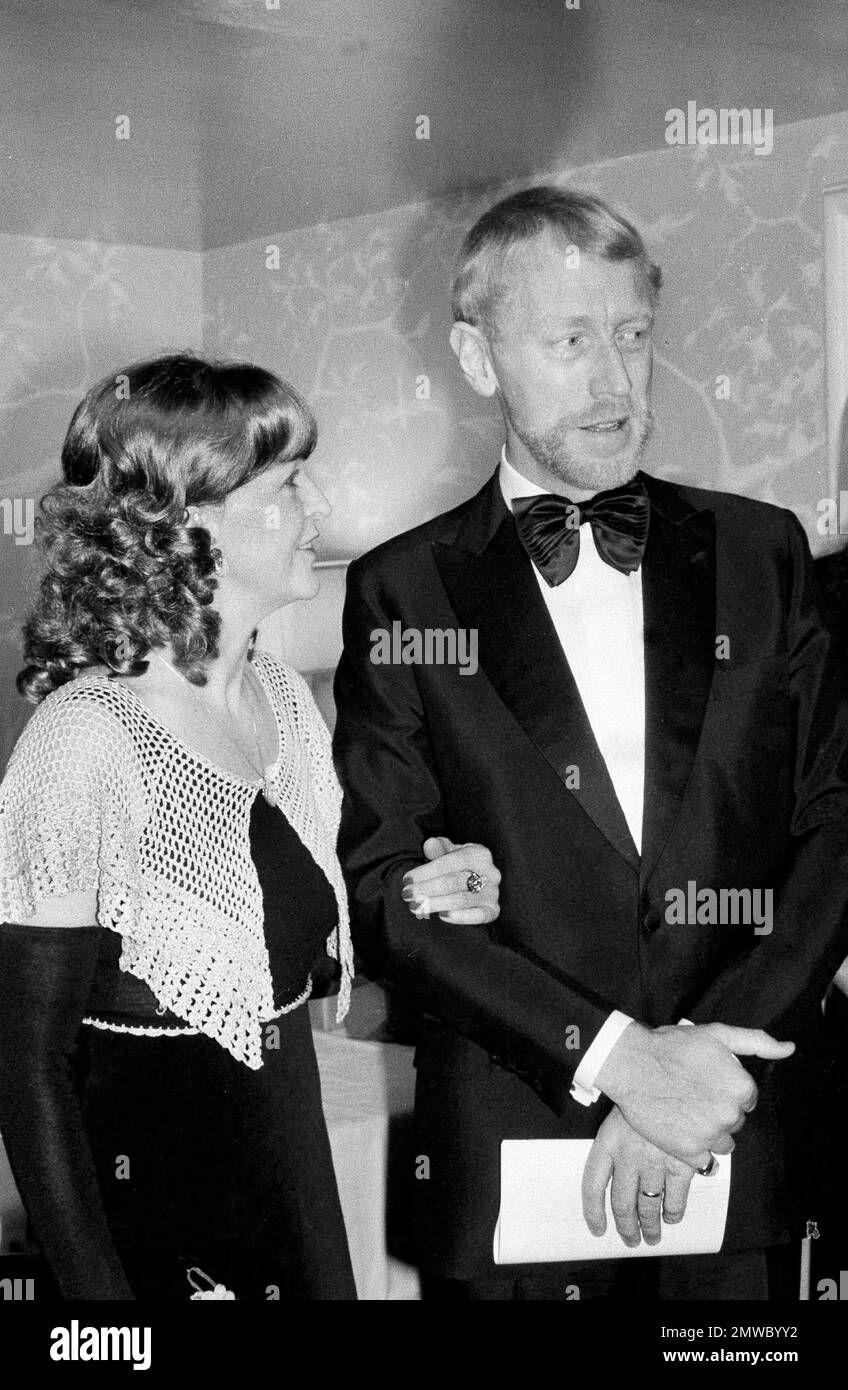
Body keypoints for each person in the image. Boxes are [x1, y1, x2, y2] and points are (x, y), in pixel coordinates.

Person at [332, 186, 848, 1300]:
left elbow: (833, 828)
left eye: (631, 335)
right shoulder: (402, 588)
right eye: (569, 342)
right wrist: (616, 1060)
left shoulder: (760, 553)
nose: (614, 382)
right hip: (514, 1157)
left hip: (730, 1138)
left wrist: (697, 1075)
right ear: (476, 359)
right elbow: (386, 893)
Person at [0, 353, 499, 1301]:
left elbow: (305, 917)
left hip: (291, 1188)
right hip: (153, 1224)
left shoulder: (281, 698)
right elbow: (30, 1077)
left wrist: (438, 883)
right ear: (186, 525)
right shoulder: (84, 740)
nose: (319, 506)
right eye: (288, 483)